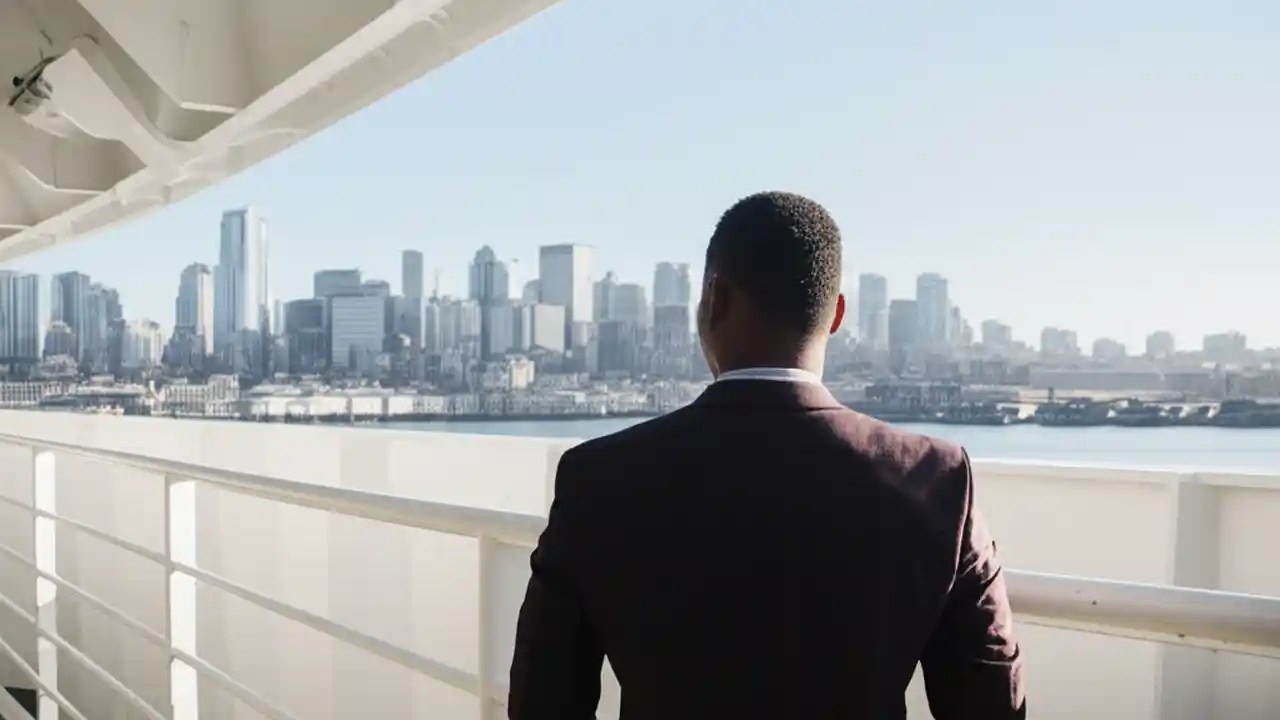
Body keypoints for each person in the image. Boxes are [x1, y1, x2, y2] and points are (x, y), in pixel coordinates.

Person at [509, 191, 1025, 719]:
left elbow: (540, 702)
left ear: (714, 300)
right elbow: (992, 704)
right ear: (836, 315)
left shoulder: (598, 480)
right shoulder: (936, 480)